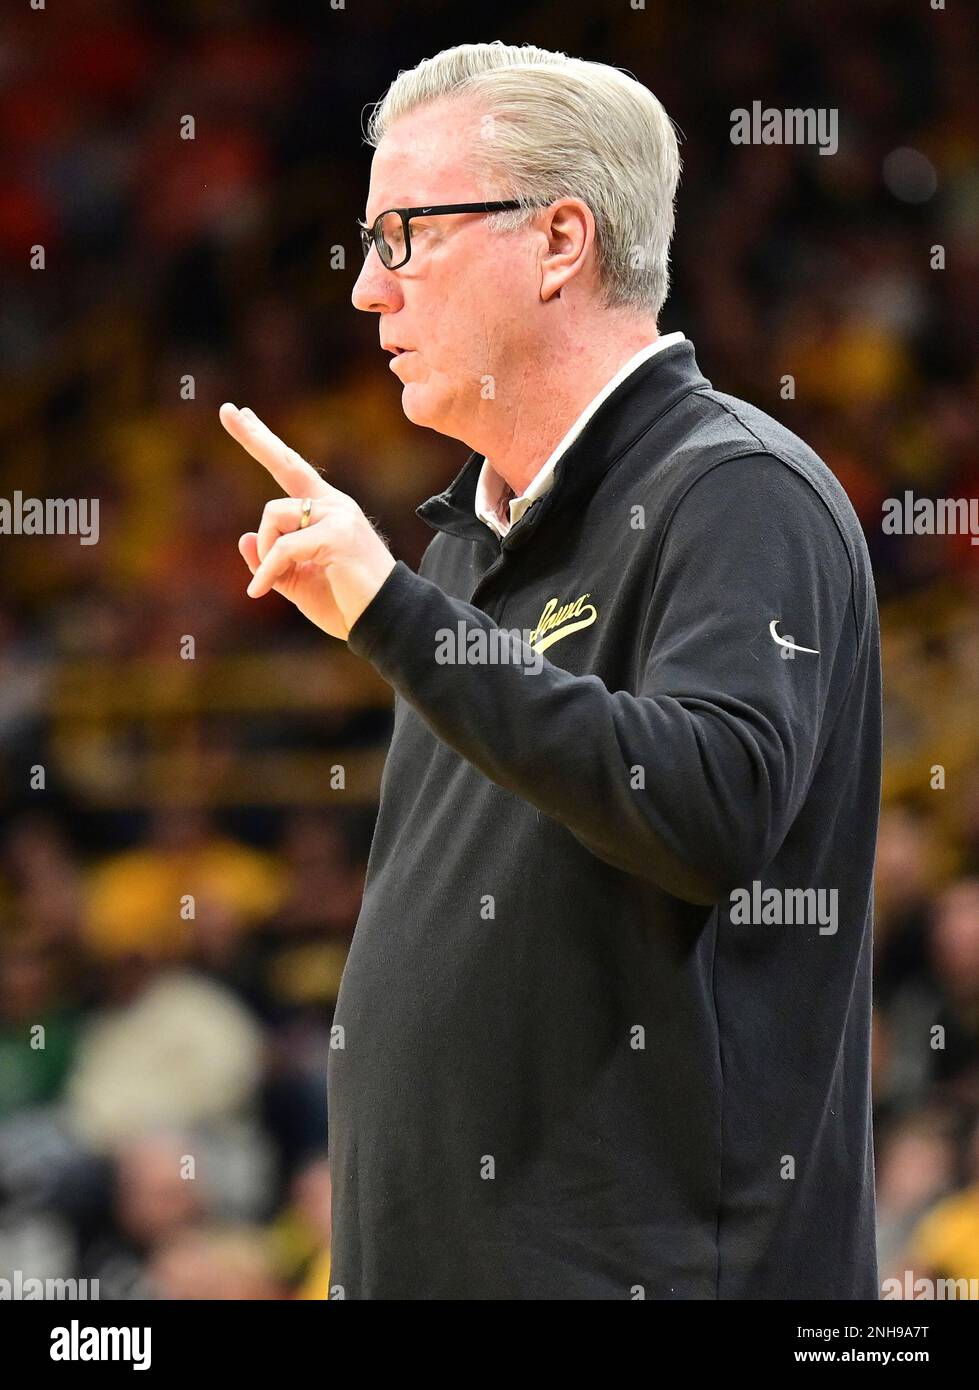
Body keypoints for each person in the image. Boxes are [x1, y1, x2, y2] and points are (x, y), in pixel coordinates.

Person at [221, 41, 882, 1300]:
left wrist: (393, 614)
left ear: (560, 242)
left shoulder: (734, 489)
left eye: (404, 235)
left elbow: (711, 805)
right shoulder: (467, 539)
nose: (368, 290)